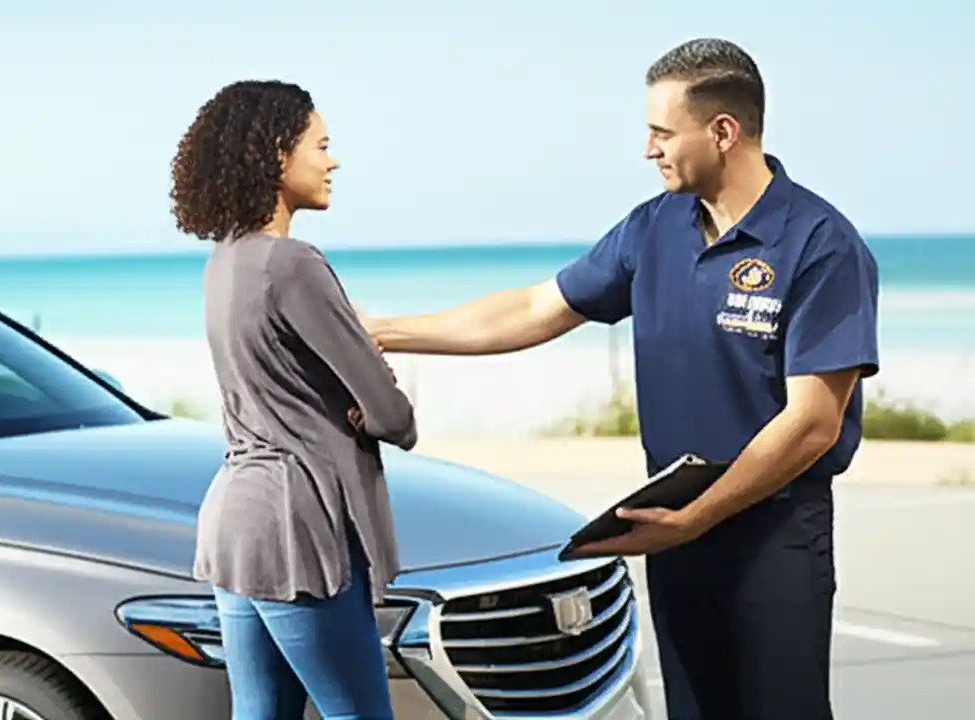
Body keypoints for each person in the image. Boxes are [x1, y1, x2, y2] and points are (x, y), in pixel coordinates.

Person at [362, 38, 879, 720]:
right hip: (672, 524)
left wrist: (696, 517)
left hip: (773, 534)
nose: (648, 150)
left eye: (663, 132)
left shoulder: (821, 243)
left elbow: (812, 422)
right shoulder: (655, 228)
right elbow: (534, 308)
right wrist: (380, 333)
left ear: (723, 132)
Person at [171, 79, 416, 719]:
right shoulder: (293, 263)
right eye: (322, 145)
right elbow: (392, 415)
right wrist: (366, 406)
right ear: (279, 156)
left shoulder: (223, 261)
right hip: (296, 530)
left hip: (235, 518)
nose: (332, 161)